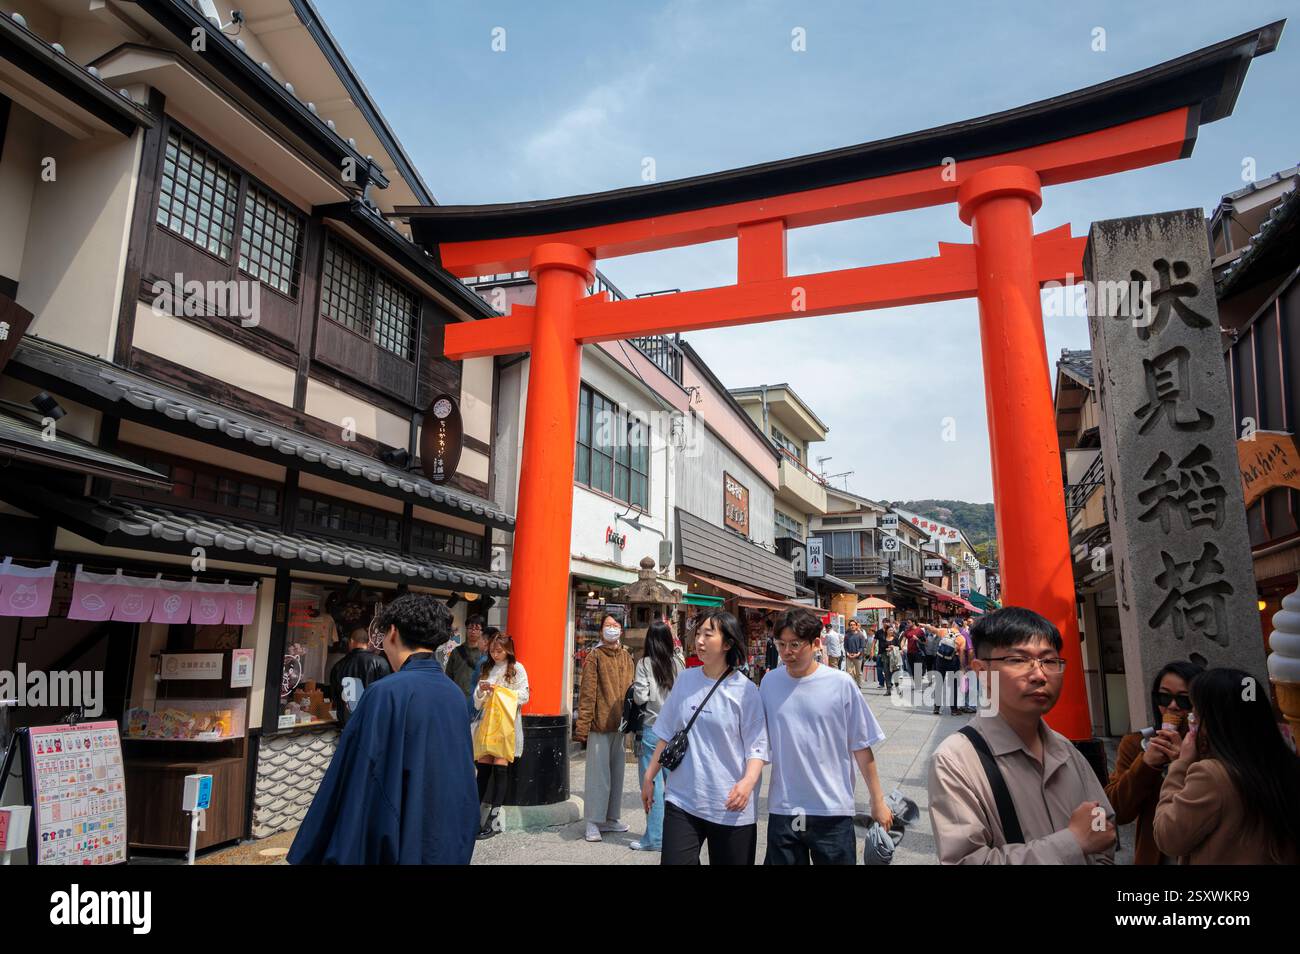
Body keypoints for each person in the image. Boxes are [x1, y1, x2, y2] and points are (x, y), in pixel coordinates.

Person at [288, 594, 478, 864]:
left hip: (399, 841)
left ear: (392, 632)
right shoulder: (454, 694)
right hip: (445, 837)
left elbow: (358, 777)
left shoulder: (386, 693)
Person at [927, 606, 1116, 864]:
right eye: (1018, 660)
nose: (1039, 675)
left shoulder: (1067, 751)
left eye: (1049, 661)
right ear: (982, 671)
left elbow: (1102, 829)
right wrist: (1072, 842)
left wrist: (1094, 845)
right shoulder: (955, 760)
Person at [761, 609, 892, 864]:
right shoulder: (769, 684)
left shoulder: (841, 684)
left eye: (795, 644)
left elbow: (862, 746)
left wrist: (878, 801)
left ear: (816, 643)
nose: (787, 651)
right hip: (785, 807)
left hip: (832, 809)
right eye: (781, 644)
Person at [642, 610, 769, 865]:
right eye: (698, 633)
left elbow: (758, 747)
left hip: (730, 803)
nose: (699, 640)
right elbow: (667, 732)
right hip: (683, 798)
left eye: (708, 635)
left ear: (728, 643)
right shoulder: (686, 679)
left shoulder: (745, 691)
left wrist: (747, 783)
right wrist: (649, 776)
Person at [1153, 667, 1300, 864]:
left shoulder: (1211, 775)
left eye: (1194, 715)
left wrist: (1180, 765)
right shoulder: (1286, 763)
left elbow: (1167, 837)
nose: (1192, 723)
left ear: (1213, 721)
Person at [1104, 660, 1203, 864]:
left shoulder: (1214, 747)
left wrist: (1182, 764)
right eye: (1164, 697)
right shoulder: (1136, 744)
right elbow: (1116, 810)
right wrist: (1146, 763)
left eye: (1184, 700)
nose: (1172, 706)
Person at [574, 613, 635, 843]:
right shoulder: (594, 656)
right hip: (599, 724)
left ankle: (611, 818)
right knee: (598, 776)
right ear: (601, 630)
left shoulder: (627, 656)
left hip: (620, 725)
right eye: (608, 625)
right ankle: (592, 821)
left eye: (616, 625)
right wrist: (582, 727)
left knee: (617, 775)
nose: (612, 628)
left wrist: (632, 722)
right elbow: (587, 694)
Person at [630, 620, 685, 852]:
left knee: (651, 784)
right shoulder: (678, 662)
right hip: (675, 731)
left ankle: (654, 838)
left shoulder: (644, 663)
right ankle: (675, 836)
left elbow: (641, 697)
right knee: (674, 785)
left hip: (652, 728)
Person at [471, 633, 529, 840]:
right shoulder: (487, 668)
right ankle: (473, 816)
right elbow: (477, 702)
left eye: (499, 651)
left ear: (508, 650)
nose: (495, 655)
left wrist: (501, 690)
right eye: (492, 651)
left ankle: (493, 819)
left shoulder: (517, 668)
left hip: (507, 725)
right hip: (488, 723)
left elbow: (525, 695)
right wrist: (482, 691)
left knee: (500, 766)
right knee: (483, 767)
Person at [329, 626, 392, 728]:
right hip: (373, 724)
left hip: (348, 725)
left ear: (351, 641)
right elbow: (388, 696)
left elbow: (335, 698)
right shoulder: (380, 662)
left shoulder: (338, 666)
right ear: (368, 643)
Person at [444, 615, 485, 701]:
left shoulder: (484, 653)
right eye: (470, 628)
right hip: (457, 696)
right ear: (466, 629)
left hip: (477, 698)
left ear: (482, 632)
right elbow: (448, 675)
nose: (473, 631)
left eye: (477, 628)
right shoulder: (456, 651)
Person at [844, 619, 866, 686]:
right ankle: (852, 685)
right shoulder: (847, 635)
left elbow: (862, 646)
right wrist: (847, 653)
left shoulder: (860, 635)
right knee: (849, 672)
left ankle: (859, 685)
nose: (852, 626)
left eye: (853, 625)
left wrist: (858, 653)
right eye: (851, 625)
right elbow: (845, 646)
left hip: (858, 656)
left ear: (856, 626)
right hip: (849, 656)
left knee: (858, 672)